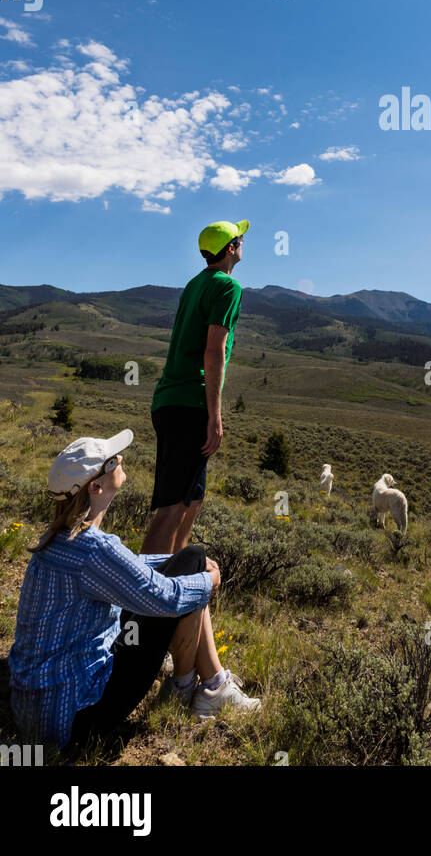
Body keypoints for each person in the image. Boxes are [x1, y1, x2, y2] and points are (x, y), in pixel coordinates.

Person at [8, 429, 260, 749]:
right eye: (113, 461)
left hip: (37, 711)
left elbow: (126, 567)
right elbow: (166, 598)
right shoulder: (93, 549)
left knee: (188, 562)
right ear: (96, 487)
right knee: (191, 567)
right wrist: (206, 580)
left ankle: (205, 683)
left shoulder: (58, 540)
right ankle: (196, 688)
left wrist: (177, 563)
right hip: (77, 719)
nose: (122, 460)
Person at [141, 219, 249, 556]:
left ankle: (175, 583)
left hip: (173, 402)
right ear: (231, 248)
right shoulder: (228, 287)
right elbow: (214, 350)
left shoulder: (194, 284)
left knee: (192, 500)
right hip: (190, 405)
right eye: (240, 238)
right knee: (173, 506)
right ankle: (142, 599)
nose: (244, 243)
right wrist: (214, 415)